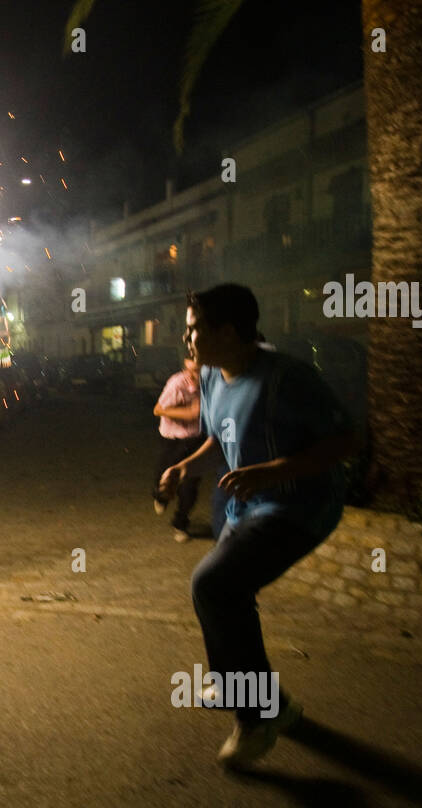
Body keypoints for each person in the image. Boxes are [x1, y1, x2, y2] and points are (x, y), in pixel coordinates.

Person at [159, 285, 358, 769]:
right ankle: (274, 703)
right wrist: (186, 468)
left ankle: (254, 717)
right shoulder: (209, 377)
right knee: (224, 593)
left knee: (214, 583)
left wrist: (271, 472)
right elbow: (219, 437)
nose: (186, 338)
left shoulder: (288, 378)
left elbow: (344, 442)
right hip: (247, 506)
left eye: (194, 328)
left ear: (227, 331)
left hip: (300, 505)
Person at [152, 356, 203, 542]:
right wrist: (187, 412)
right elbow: (157, 410)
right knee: (163, 476)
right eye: (192, 369)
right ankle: (160, 497)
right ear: (185, 364)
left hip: (196, 439)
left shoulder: (211, 382)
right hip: (172, 439)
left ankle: (180, 523)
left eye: (199, 369)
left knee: (190, 486)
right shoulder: (176, 383)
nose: (194, 373)